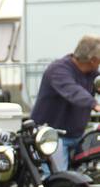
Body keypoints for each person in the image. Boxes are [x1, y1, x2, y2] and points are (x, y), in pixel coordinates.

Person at [31, 35, 100, 169]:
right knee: (59, 179)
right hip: (51, 137)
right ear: (93, 60)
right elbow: (72, 91)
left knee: (83, 175)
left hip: (76, 135)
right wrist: (95, 105)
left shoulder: (92, 73)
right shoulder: (58, 70)